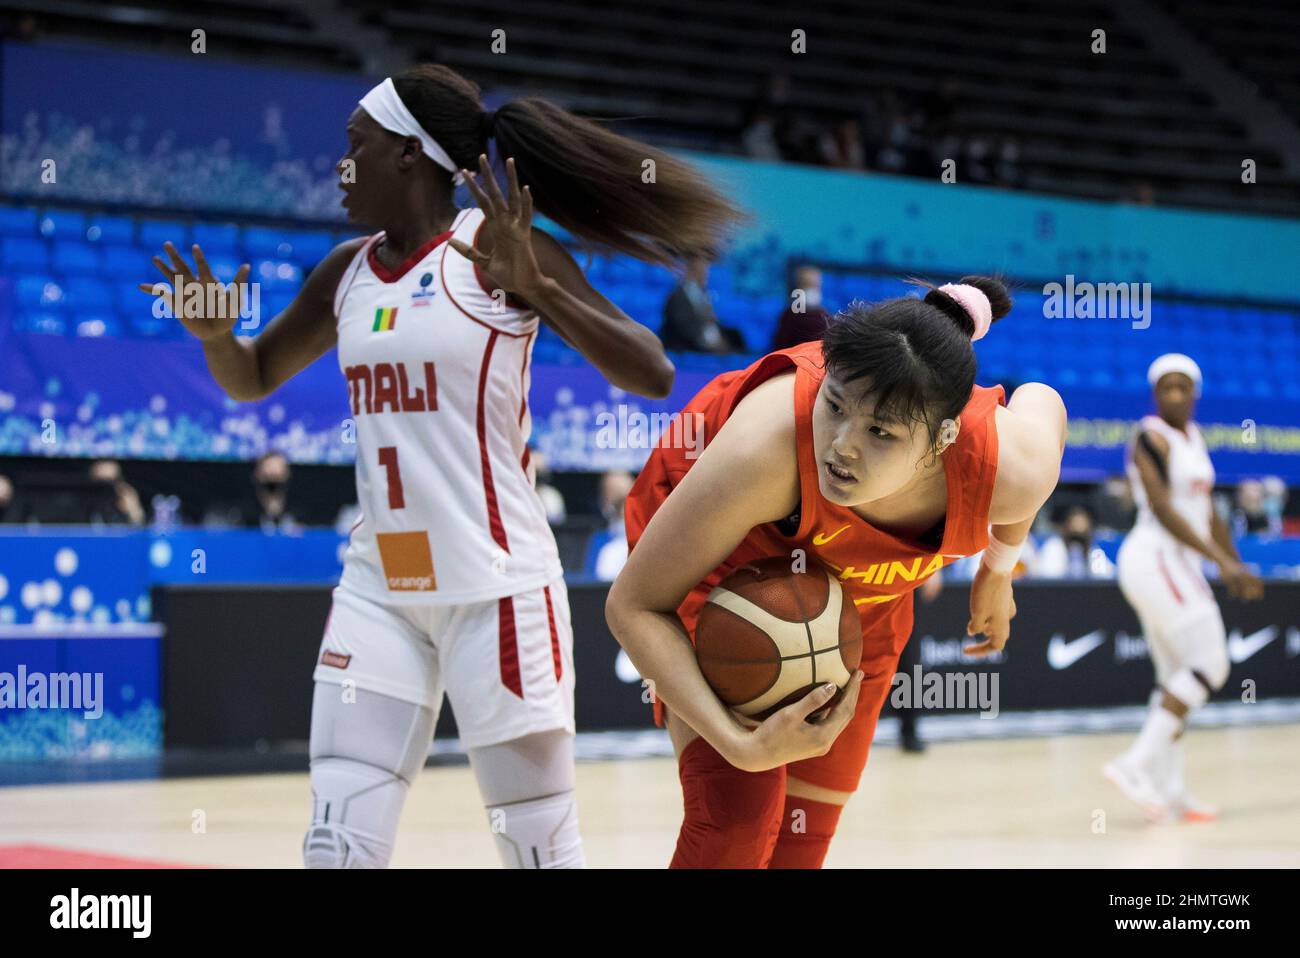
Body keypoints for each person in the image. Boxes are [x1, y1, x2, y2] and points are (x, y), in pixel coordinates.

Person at [141, 63, 741, 868]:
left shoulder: (493, 246)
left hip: (498, 589)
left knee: (537, 851)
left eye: (355, 145)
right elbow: (250, 377)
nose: (340, 166)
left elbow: (652, 371)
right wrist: (217, 338)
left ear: (408, 154)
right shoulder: (346, 271)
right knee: (335, 848)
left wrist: (539, 288)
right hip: (379, 589)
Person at [607, 276, 1067, 868]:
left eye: (880, 432)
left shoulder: (1013, 470)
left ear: (944, 438)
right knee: (735, 827)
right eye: (834, 406)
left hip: (857, 602)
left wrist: (997, 572)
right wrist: (739, 745)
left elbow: (1044, 401)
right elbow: (634, 605)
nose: (842, 446)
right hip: (728, 561)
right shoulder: (767, 446)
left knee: (800, 844)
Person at [1106, 354, 1264, 822]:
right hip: (1157, 556)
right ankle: (1132, 765)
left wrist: (1234, 563)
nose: (1175, 394)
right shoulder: (1149, 435)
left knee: (1174, 679)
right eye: (1166, 387)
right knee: (1210, 663)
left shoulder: (1194, 438)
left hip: (1180, 562)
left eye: (1183, 387)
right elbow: (1163, 507)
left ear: (1195, 393)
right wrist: (1220, 562)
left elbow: (1208, 512)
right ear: (1155, 395)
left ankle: (1170, 790)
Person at [661, 254, 746, 354]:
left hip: (709, 338)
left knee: (736, 337)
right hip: (690, 342)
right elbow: (683, 325)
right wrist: (705, 341)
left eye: (705, 270)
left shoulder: (702, 294)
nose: (705, 273)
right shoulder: (677, 295)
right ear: (691, 269)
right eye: (701, 270)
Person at [1032, 504, 1115, 579]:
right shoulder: (1054, 547)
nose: (1077, 542)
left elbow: (1106, 577)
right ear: (1065, 530)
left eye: (1081, 535)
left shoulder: (1094, 550)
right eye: (1074, 534)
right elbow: (1048, 577)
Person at [769, 265, 832, 351]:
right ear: (798, 286)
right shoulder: (790, 316)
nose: (812, 290)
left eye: (815, 285)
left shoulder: (825, 315)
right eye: (807, 285)